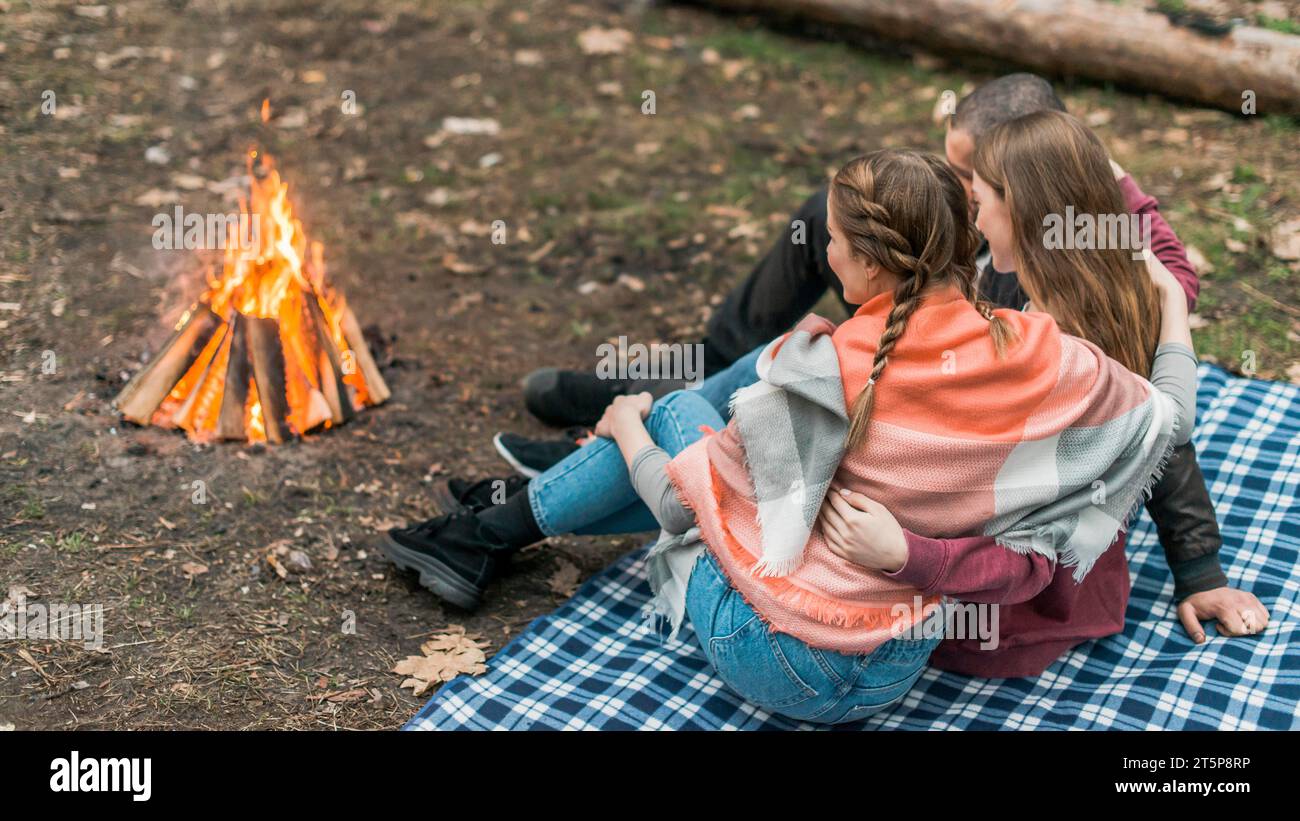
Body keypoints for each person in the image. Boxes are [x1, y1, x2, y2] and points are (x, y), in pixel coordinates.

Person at [385, 149, 1192, 719]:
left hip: (774, 661)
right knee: (771, 370)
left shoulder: (824, 372)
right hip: (894, 668)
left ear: (870, 266)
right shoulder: (1049, 355)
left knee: (677, 418)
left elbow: (679, 509)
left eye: (832, 241)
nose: (824, 249)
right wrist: (1173, 312)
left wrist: (632, 430)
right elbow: (1169, 414)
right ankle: (497, 520)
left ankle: (501, 520)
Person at [482, 74, 1265, 644]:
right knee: (801, 293)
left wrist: (1198, 567)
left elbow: (1157, 424)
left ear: (1023, 190)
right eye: (957, 172)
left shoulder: (1101, 287)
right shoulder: (1033, 222)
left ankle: (605, 446)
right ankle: (635, 412)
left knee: (753, 421)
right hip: (945, 430)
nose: (961, 195)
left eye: (972, 182)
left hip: (942, 554)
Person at [813, 113, 1270, 679]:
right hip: (1033, 600)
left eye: (978, 201)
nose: (973, 220)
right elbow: (1157, 435)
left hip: (986, 602)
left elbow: (1162, 438)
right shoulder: (1077, 297)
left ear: (1022, 213)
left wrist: (1202, 575)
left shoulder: (1055, 345)